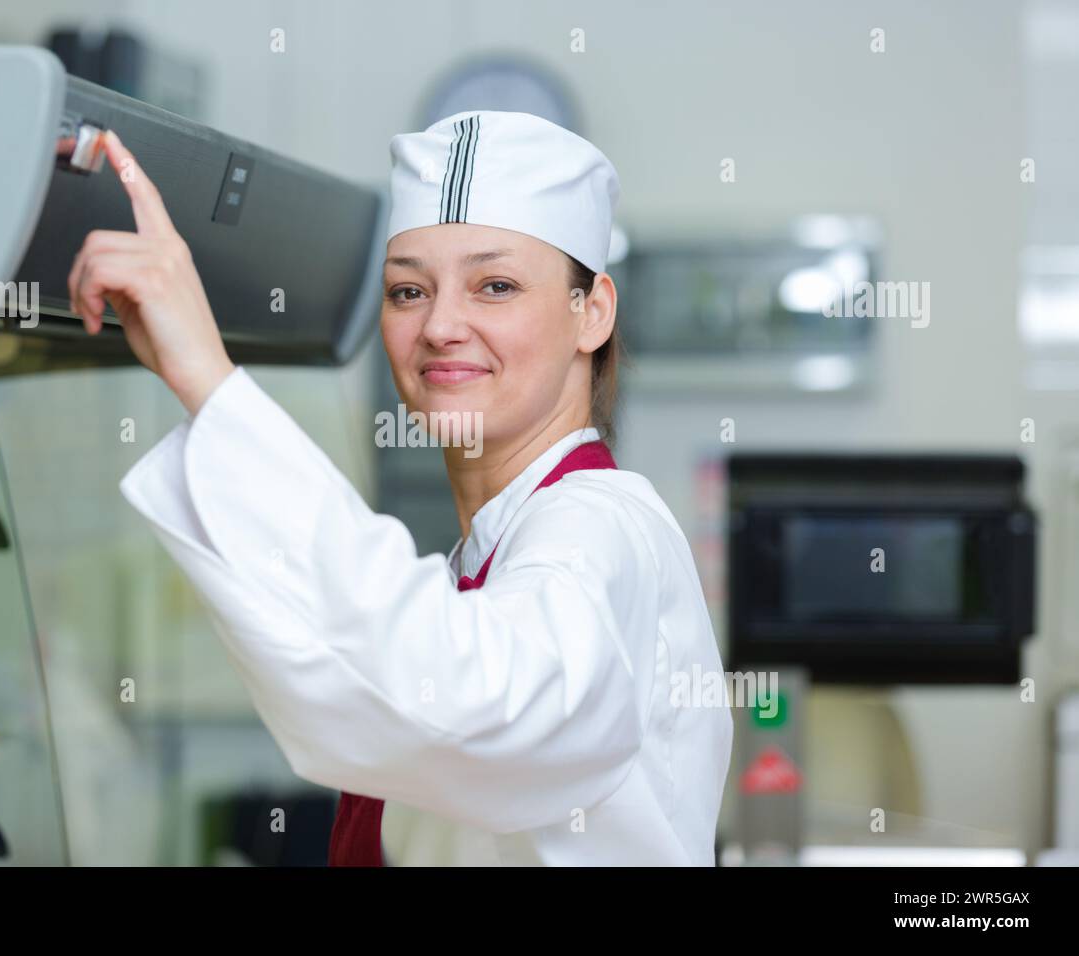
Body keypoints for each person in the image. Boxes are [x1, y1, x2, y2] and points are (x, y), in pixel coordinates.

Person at [69, 110, 732, 866]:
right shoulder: (484, 561)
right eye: (408, 291)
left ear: (594, 314)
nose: (442, 325)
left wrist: (211, 382)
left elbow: (466, 701)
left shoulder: (598, 529)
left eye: (496, 285)